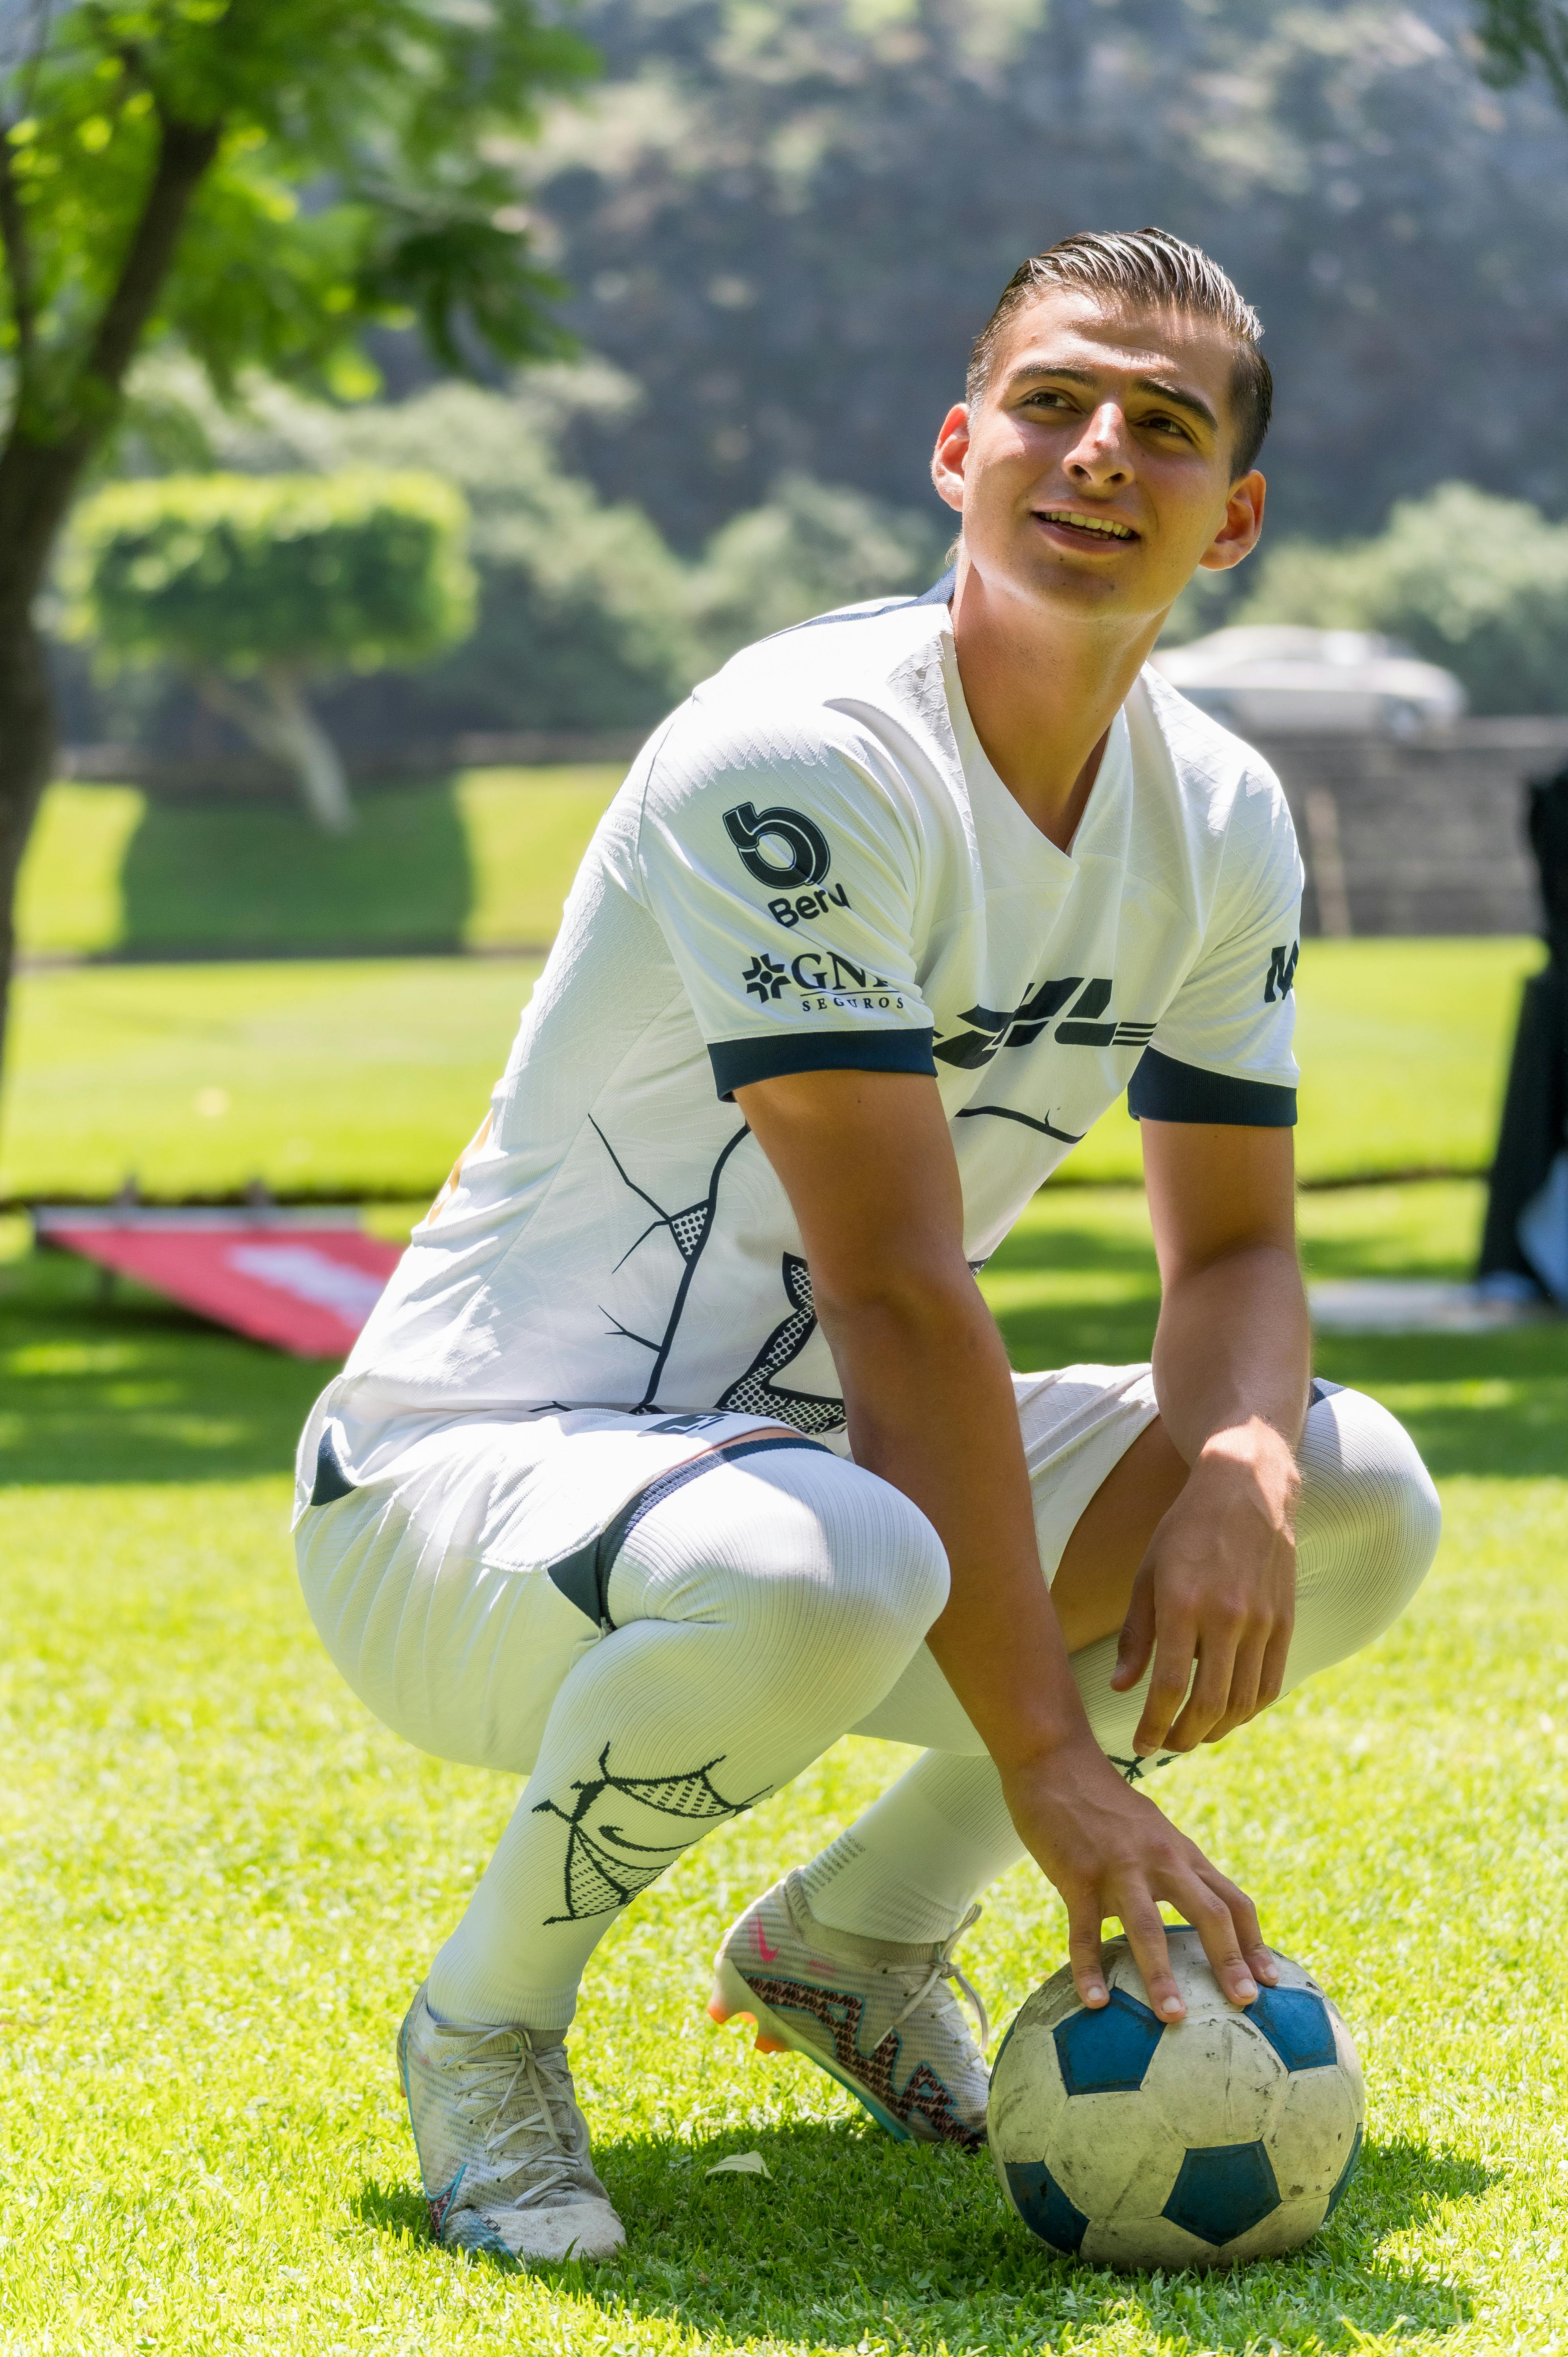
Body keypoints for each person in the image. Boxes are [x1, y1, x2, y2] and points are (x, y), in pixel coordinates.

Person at [293, 227, 1440, 2263]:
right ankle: (484, 2025)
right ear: (955, 450)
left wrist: (1242, 1469)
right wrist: (1053, 1757)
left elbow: (1240, 1251)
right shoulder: (803, 753)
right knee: (833, 1552)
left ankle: (851, 1945)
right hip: (462, 1494)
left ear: (1232, 516)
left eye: (1160, 428)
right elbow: (898, 1286)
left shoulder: (1223, 813)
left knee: (1350, 1488)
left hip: (827, 1492)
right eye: (1050, 404)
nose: (1098, 452)